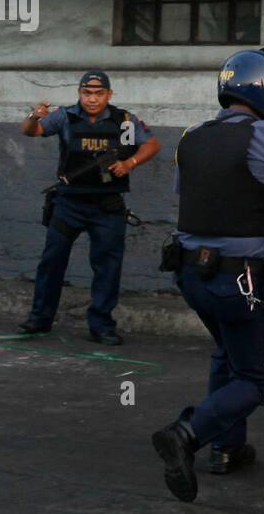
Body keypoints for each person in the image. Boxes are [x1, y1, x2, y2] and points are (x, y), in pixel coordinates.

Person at [151, 48, 264, 497]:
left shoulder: (191, 135)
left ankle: (226, 447)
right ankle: (189, 433)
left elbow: (195, 192)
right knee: (253, 380)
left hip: (191, 276)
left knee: (226, 354)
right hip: (241, 281)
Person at [18, 71, 159, 344]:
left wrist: (130, 164)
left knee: (107, 266)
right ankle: (39, 318)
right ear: (79, 93)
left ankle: (102, 326)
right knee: (52, 262)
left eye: (98, 94)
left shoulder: (124, 120)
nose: (92, 99)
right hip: (68, 203)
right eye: (86, 93)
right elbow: (30, 131)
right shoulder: (66, 116)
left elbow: (152, 144)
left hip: (107, 206)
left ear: (109, 95)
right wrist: (35, 115)